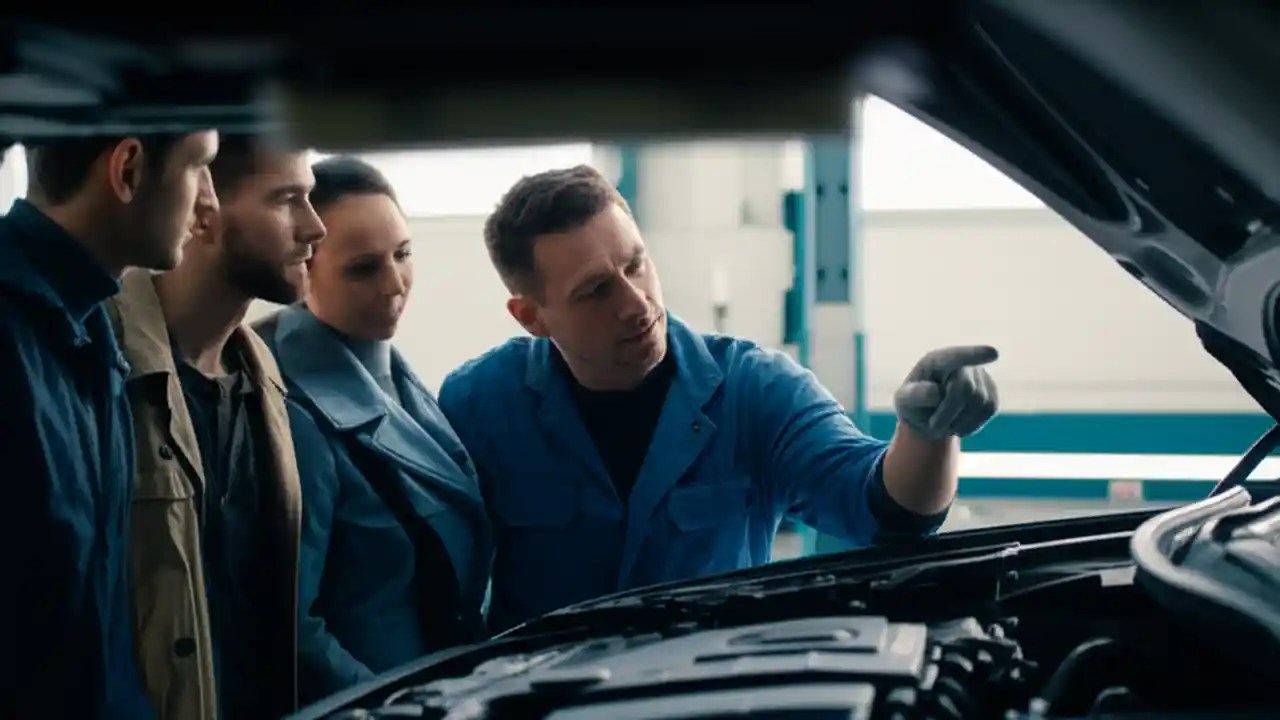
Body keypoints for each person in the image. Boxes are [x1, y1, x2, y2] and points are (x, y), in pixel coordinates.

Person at [437, 164, 1002, 632]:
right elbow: (431, 586)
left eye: (636, 264)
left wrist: (929, 432)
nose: (636, 304)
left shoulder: (753, 389)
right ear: (531, 316)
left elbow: (887, 509)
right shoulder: (480, 406)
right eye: (595, 290)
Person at [253, 156, 492, 704]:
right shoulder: (292, 411)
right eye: (364, 268)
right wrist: (391, 706)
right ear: (303, 268)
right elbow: (293, 629)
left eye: (403, 254)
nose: (394, 283)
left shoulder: (403, 381)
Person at [105, 134, 325, 720]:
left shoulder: (261, 374)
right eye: (286, 199)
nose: (314, 227)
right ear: (204, 206)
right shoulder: (104, 362)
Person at [1, 131, 217, 719]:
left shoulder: (92, 325)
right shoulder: (16, 335)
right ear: (128, 169)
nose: (210, 203)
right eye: (200, 168)